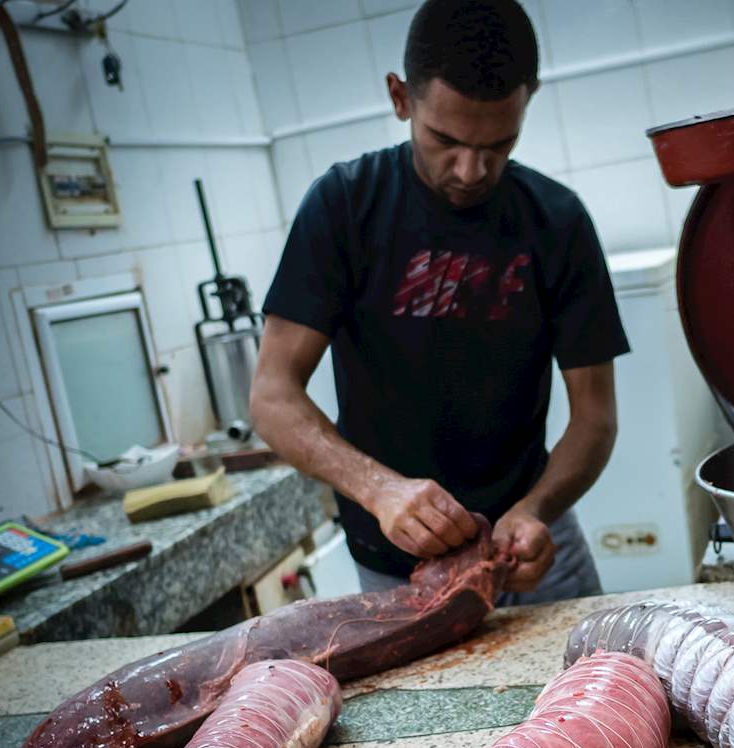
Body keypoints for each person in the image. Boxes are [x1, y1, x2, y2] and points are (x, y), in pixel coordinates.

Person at [250, 0, 628, 605]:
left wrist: (536, 508)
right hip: (395, 566)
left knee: (593, 690)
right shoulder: (344, 206)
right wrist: (379, 490)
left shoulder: (556, 221)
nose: (472, 169)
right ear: (401, 99)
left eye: (500, 144)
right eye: (445, 140)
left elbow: (595, 419)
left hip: (530, 550)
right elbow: (272, 395)